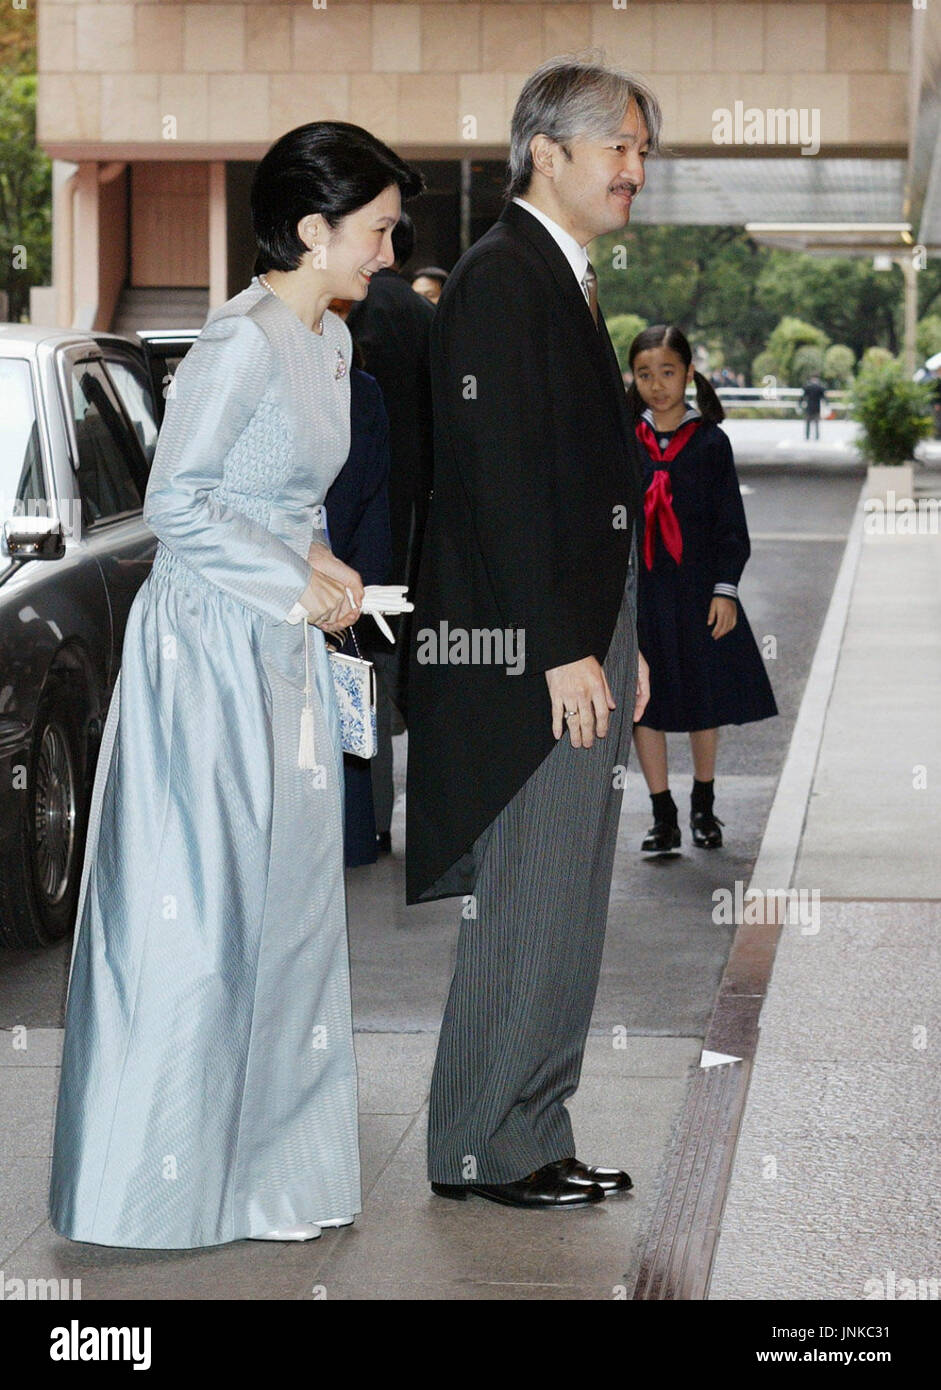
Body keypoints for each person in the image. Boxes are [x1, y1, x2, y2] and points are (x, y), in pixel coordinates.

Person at [48, 121, 423, 1249]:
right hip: (205, 650)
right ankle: (148, 1192)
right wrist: (290, 578)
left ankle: (273, 1181)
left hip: (280, 646)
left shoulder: (332, 340)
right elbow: (177, 503)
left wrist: (325, 568)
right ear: (312, 230)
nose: (388, 254)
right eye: (377, 231)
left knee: (289, 911)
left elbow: (284, 501)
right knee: (196, 912)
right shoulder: (241, 341)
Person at [407, 56, 661, 1210]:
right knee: (525, 903)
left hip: (573, 639)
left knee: (565, 907)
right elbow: (497, 481)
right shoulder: (501, 277)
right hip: (524, 657)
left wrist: (618, 639)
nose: (634, 169)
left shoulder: (557, 274)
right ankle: (481, 1146)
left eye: (641, 150)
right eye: (618, 147)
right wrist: (562, 645)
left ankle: (531, 1129)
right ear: (545, 153)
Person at [626, 324, 778, 853]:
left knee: (702, 698)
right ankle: (662, 814)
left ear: (689, 373)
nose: (657, 385)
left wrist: (725, 589)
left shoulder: (711, 442)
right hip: (644, 595)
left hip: (698, 593)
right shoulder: (626, 440)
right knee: (644, 703)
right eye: (645, 374)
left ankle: (703, 806)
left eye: (668, 372)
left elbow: (730, 526)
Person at [345, 211, 435, 850]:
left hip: (353, 512)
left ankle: (365, 820)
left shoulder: (351, 307)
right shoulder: (429, 318)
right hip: (418, 516)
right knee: (400, 668)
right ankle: (404, 823)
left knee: (360, 663)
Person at [323, 300, 394, 868]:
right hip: (281, 583)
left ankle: (350, 836)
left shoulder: (363, 394)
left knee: (342, 715)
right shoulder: (257, 372)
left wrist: (362, 596)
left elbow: (374, 501)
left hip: (339, 583)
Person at [800, 373, 827, 440]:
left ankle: (807, 436)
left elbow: (803, 397)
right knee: (816, 423)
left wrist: (800, 404)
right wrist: (827, 404)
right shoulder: (820, 387)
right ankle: (816, 436)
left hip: (809, 407)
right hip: (817, 408)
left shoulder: (808, 387)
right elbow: (824, 397)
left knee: (808, 423)